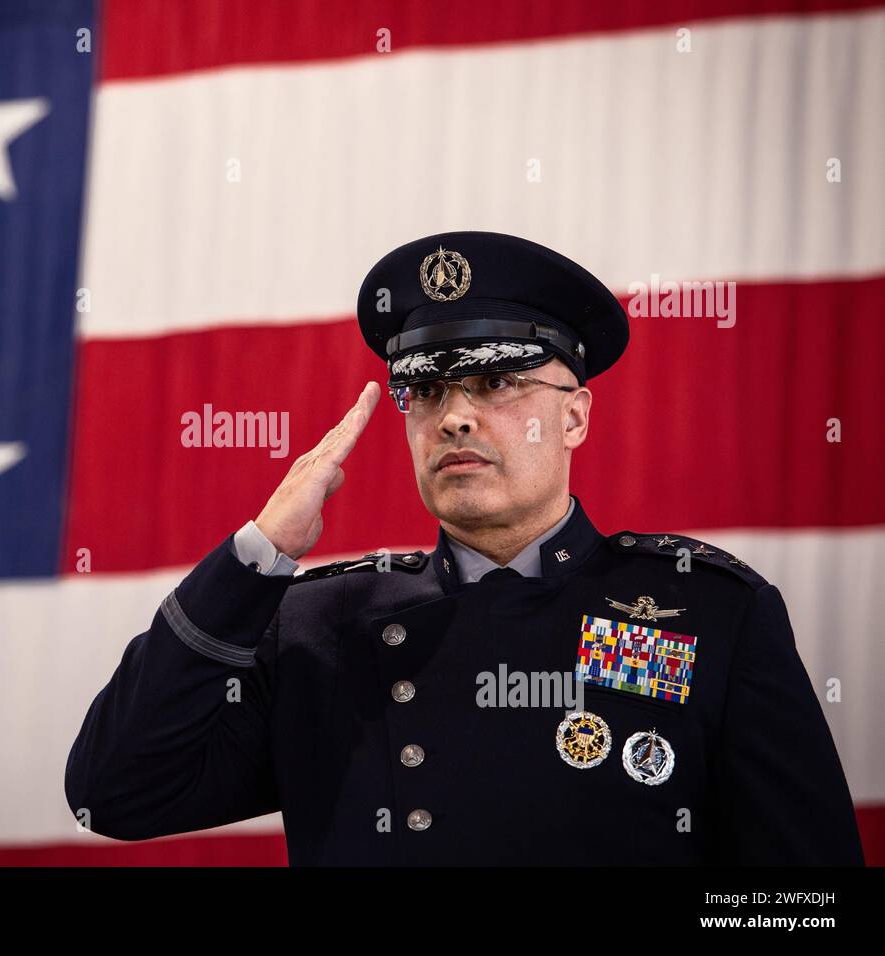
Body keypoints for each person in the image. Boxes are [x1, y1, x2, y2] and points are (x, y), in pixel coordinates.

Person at [64, 231, 864, 865]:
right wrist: (258, 555)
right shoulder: (322, 628)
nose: (453, 417)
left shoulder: (706, 613)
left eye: (495, 383)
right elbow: (115, 792)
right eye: (428, 390)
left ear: (576, 417)